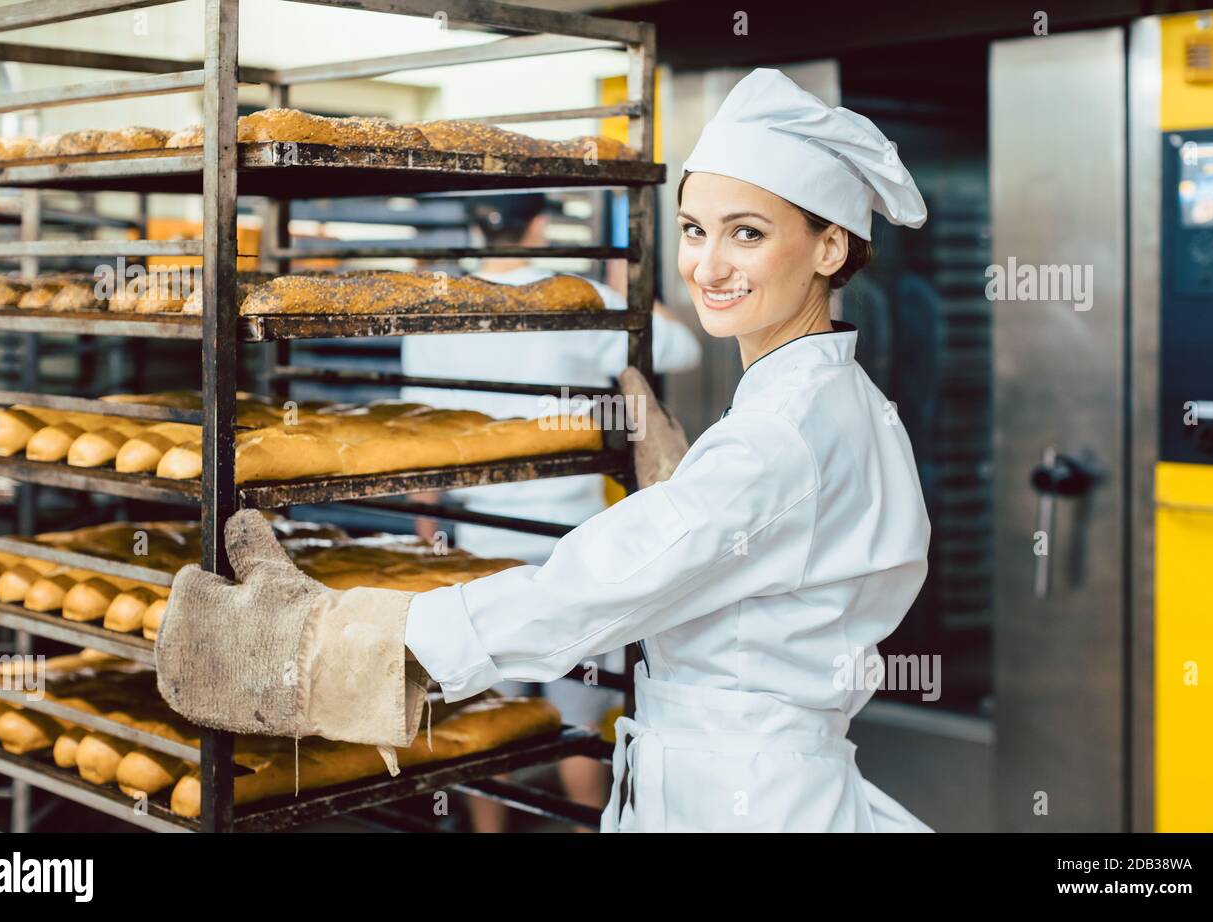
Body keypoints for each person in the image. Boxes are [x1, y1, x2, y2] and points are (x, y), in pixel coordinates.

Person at [156, 67, 934, 832]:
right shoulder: (842, 399)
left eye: (748, 234)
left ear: (831, 246)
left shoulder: (778, 434)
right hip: (768, 778)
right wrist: (689, 497)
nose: (708, 265)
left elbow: (586, 592)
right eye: (696, 230)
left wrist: (330, 643)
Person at [397, 192, 701, 830]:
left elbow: (419, 427)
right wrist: (627, 285)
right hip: (575, 543)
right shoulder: (577, 299)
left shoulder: (438, 310)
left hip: (480, 542)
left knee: (488, 706)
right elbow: (680, 350)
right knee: (581, 710)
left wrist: (428, 528)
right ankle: (588, 823)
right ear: (540, 222)